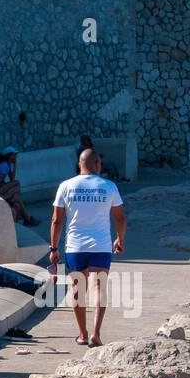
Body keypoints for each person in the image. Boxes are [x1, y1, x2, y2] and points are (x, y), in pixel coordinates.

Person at [51, 147, 126, 347]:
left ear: (79, 165)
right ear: (96, 164)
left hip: (75, 246)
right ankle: (96, 333)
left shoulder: (65, 186)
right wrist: (119, 239)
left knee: (78, 289)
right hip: (100, 245)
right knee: (99, 287)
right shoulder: (109, 186)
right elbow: (120, 217)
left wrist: (54, 248)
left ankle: (82, 334)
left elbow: (57, 220)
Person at [0, 147, 39, 226]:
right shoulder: (4, 166)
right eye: (14, 154)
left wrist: (15, 164)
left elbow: (12, 178)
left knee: (16, 194)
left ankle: (27, 219)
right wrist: (5, 190)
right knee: (17, 183)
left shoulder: (7, 164)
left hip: (0, 188)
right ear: (9, 155)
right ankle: (27, 219)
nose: (16, 156)